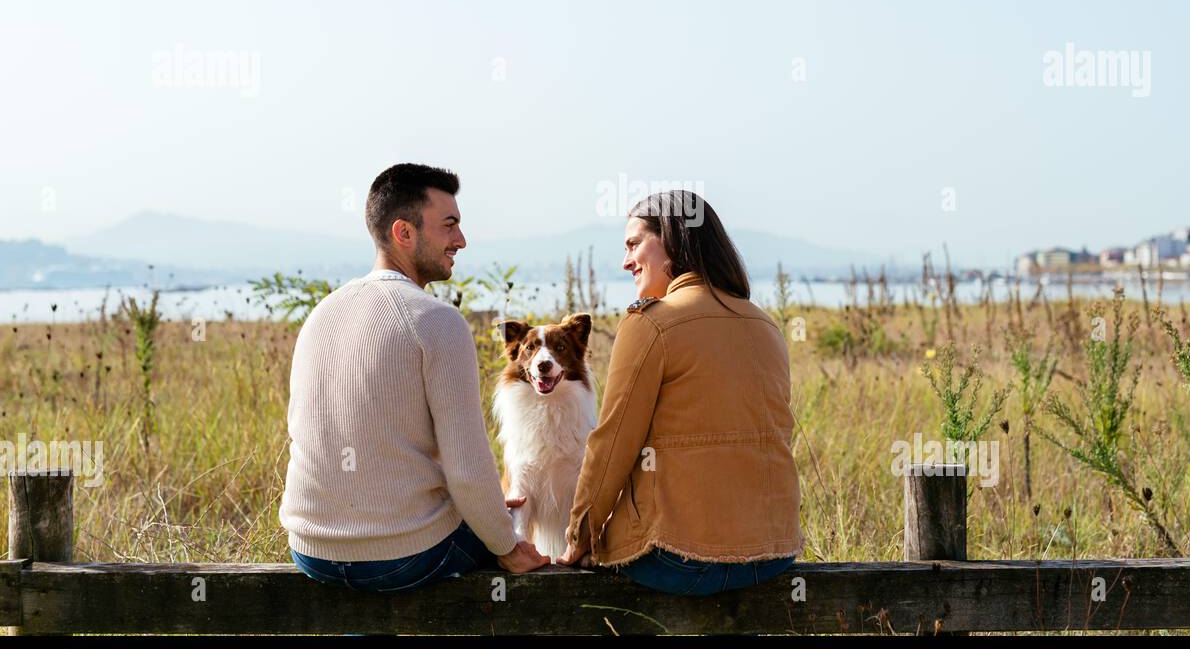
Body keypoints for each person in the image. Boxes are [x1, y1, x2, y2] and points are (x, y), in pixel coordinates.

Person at [280, 163, 549, 592]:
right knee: (504, 543)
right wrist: (505, 541)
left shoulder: (322, 313)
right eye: (449, 226)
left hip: (310, 548)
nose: (461, 241)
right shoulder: (438, 322)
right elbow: (466, 466)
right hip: (400, 556)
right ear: (404, 233)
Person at [557, 190, 803, 595]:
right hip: (773, 554)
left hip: (680, 556)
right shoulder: (765, 325)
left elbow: (613, 443)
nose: (625, 261)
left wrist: (581, 535)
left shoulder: (652, 323)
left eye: (634, 244)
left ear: (670, 241)